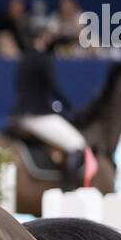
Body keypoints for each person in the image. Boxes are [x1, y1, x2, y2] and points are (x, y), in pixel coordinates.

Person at [11, 38, 87, 190]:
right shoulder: (42, 60)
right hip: (38, 115)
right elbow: (52, 88)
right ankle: (68, 190)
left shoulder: (23, 58)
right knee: (77, 144)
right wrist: (69, 106)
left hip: (20, 114)